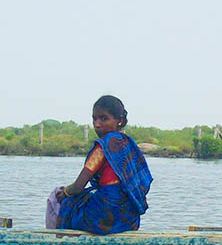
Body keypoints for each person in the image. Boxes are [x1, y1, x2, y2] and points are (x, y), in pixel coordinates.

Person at [47, 95, 152, 234]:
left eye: (104, 118)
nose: (97, 124)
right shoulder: (128, 144)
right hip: (128, 220)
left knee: (58, 197)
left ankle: (56, 239)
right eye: (94, 118)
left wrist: (65, 192)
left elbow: (78, 187)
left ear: (119, 120)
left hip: (103, 218)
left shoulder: (103, 147)